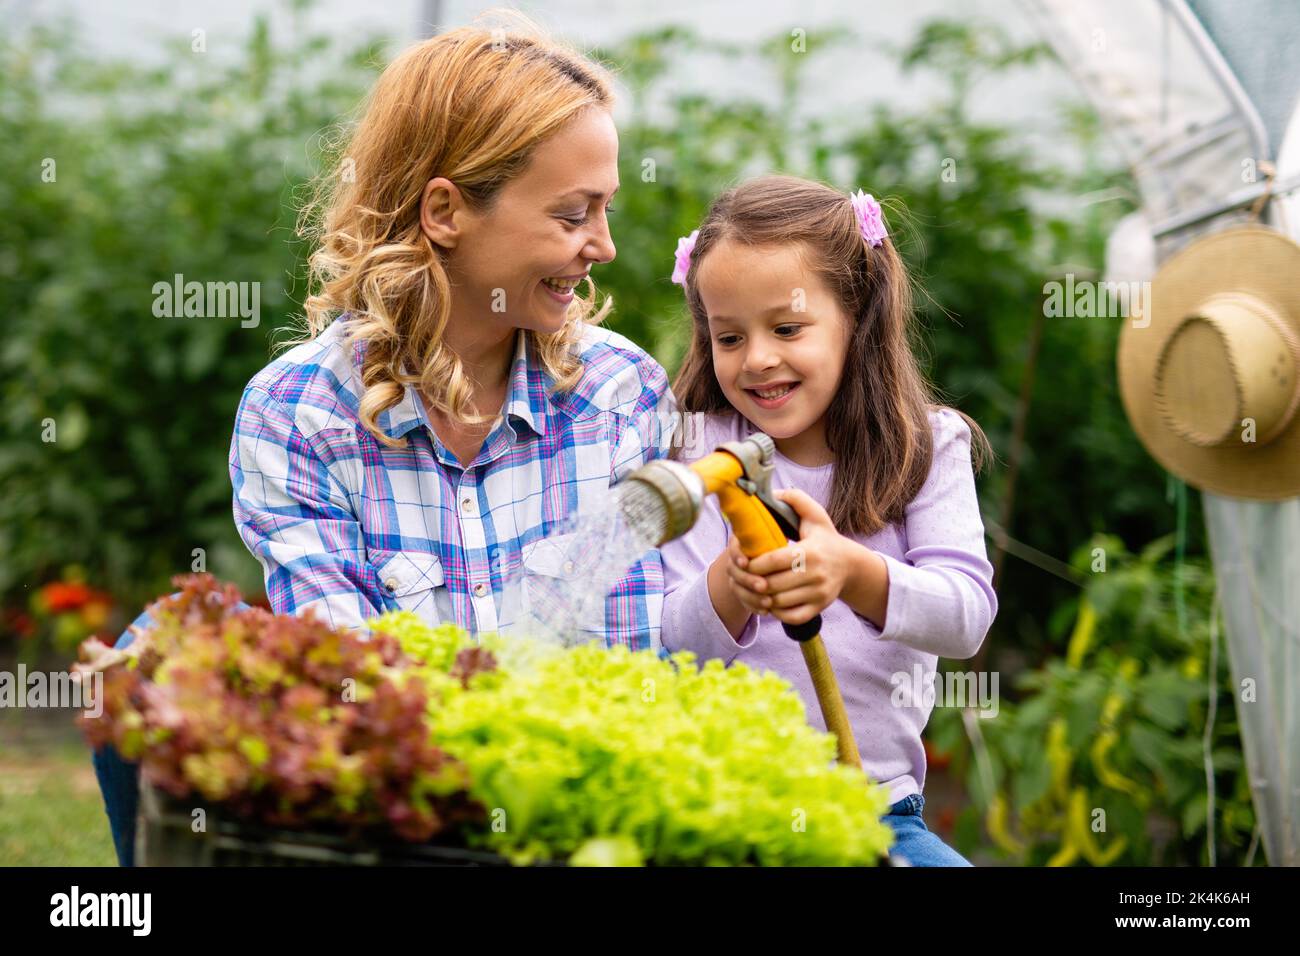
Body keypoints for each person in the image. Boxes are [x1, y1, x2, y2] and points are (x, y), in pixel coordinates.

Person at [91, 16, 675, 866]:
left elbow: (630, 673)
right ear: (445, 211)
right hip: (397, 824)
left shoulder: (619, 395)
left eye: (605, 211)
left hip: (570, 817)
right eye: (572, 215)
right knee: (150, 648)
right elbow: (354, 684)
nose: (605, 247)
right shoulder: (297, 412)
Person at [658, 175, 997, 867]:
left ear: (857, 316)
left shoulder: (925, 447)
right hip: (726, 813)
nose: (757, 358)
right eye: (728, 336)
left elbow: (965, 618)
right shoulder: (700, 450)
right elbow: (670, 640)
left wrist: (852, 571)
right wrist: (732, 583)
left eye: (787, 328)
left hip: (874, 815)